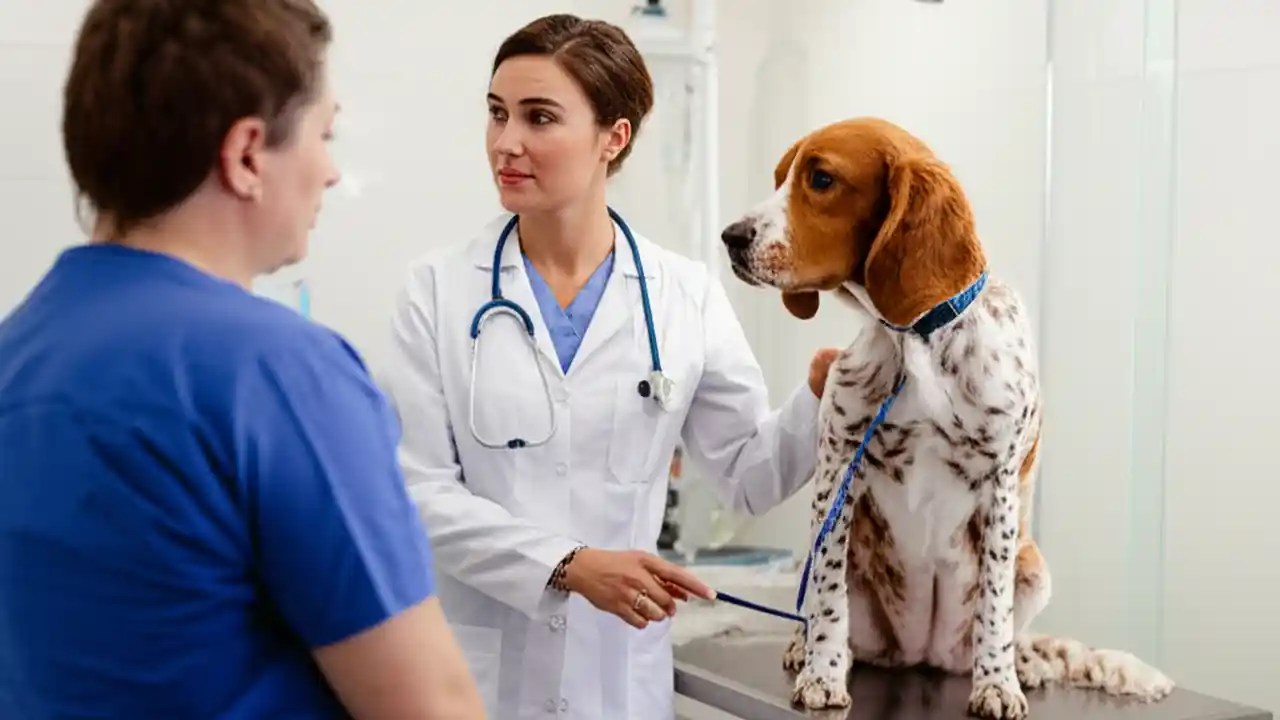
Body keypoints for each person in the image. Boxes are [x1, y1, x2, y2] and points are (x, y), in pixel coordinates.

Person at [0, 2, 484, 718]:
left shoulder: (18, 356)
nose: (328, 171)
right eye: (325, 133)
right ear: (248, 154)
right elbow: (429, 710)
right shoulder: (278, 374)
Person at [381, 13, 837, 720]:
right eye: (497, 114)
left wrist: (818, 398)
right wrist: (567, 564)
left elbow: (750, 477)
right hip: (479, 689)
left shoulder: (682, 295)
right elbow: (416, 494)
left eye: (539, 118)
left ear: (612, 137)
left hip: (618, 688)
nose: (506, 142)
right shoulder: (439, 291)